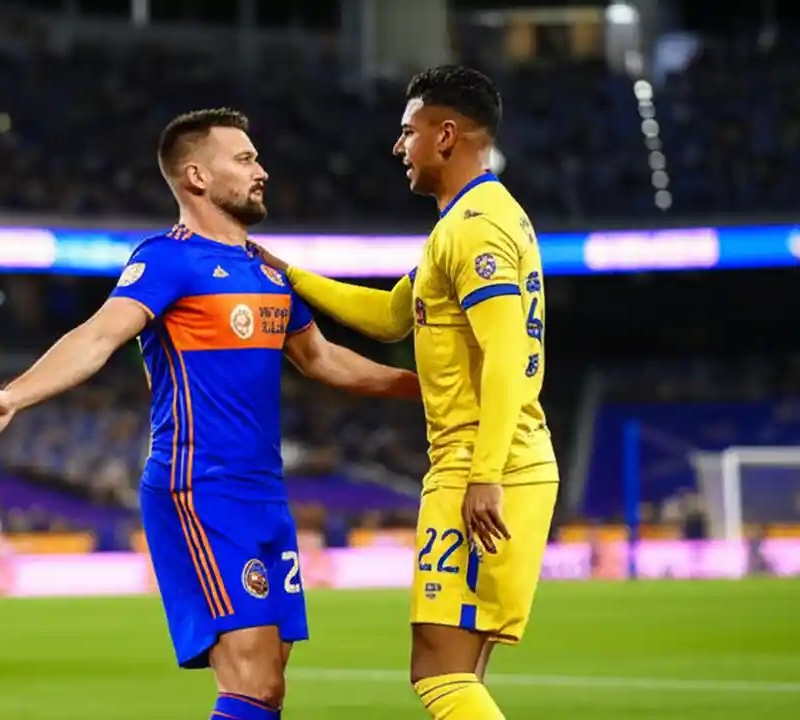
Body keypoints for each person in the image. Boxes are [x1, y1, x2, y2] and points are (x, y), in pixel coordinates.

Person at [0, 108, 418, 720]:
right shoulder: (168, 259)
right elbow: (98, 336)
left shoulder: (267, 270)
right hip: (199, 487)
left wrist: (427, 387)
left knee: (270, 682)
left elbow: (324, 359)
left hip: (263, 494)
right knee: (250, 679)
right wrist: (14, 395)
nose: (263, 171)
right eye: (246, 159)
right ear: (197, 177)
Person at [255, 66, 558, 719]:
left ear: (445, 135)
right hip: (493, 460)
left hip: (484, 463)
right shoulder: (471, 222)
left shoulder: (475, 226)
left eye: (407, 132)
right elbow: (392, 315)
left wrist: (484, 475)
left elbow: (505, 352)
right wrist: (289, 274)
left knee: (440, 674)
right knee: (459, 671)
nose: (398, 147)